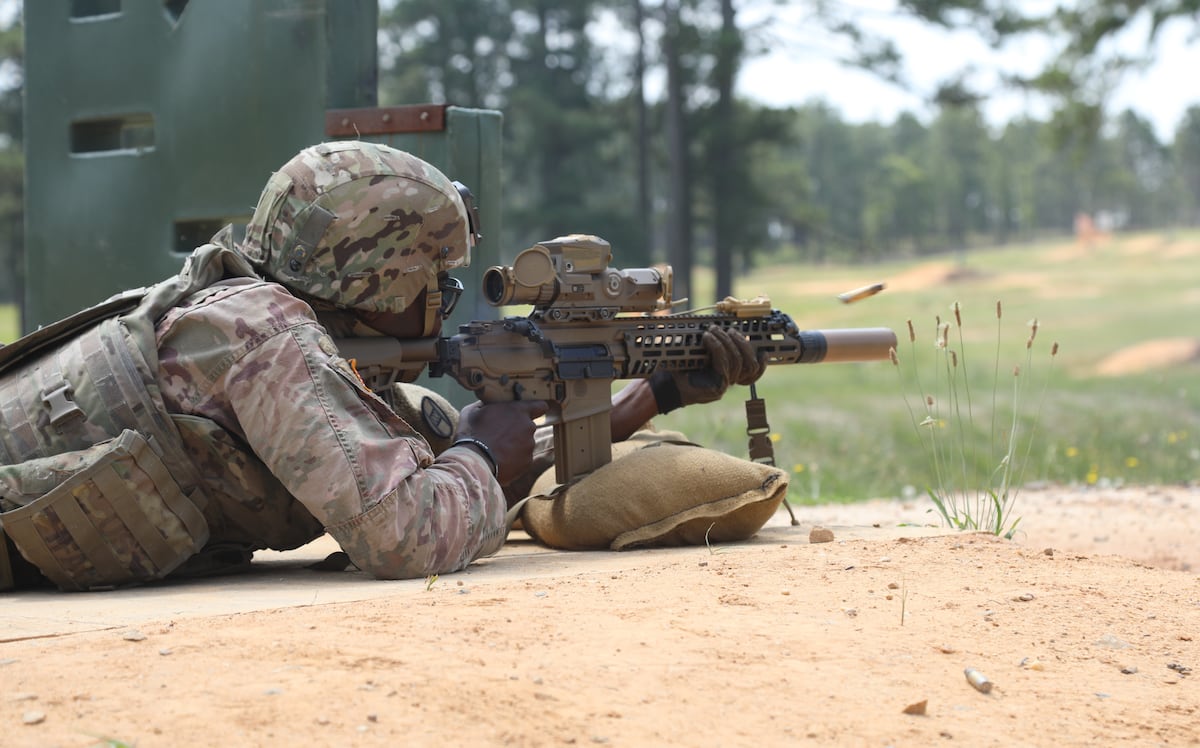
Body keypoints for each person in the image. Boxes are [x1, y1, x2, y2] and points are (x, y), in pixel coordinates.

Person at [0, 141, 762, 592]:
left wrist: (645, 396)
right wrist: (476, 451)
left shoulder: (279, 330)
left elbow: (436, 475)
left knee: (426, 424)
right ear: (379, 280)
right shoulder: (263, 334)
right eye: (432, 275)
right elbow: (407, 535)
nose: (444, 292)